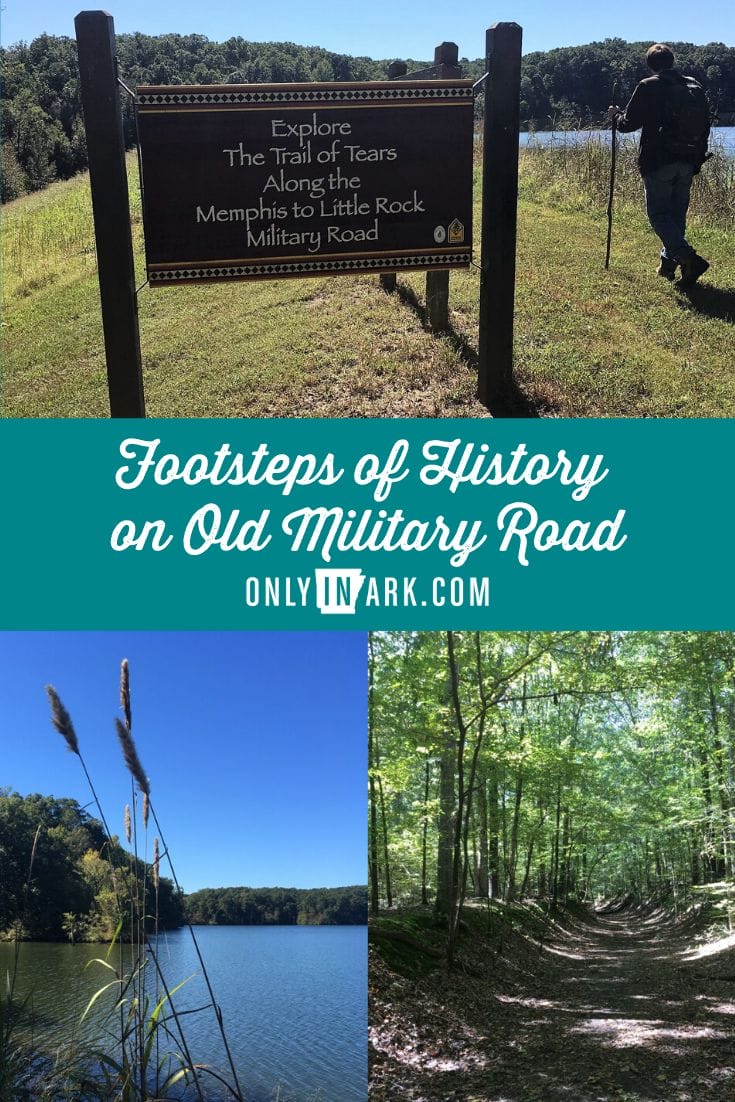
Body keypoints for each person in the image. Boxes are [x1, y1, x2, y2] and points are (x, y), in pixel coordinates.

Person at [608, 43, 711, 286]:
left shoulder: (649, 85)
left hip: (658, 160)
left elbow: (628, 124)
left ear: (650, 64)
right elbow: (706, 124)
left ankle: (689, 259)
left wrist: (616, 116)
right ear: (672, 61)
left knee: (658, 215)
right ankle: (667, 266)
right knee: (676, 215)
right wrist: (697, 158)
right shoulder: (693, 85)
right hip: (688, 158)